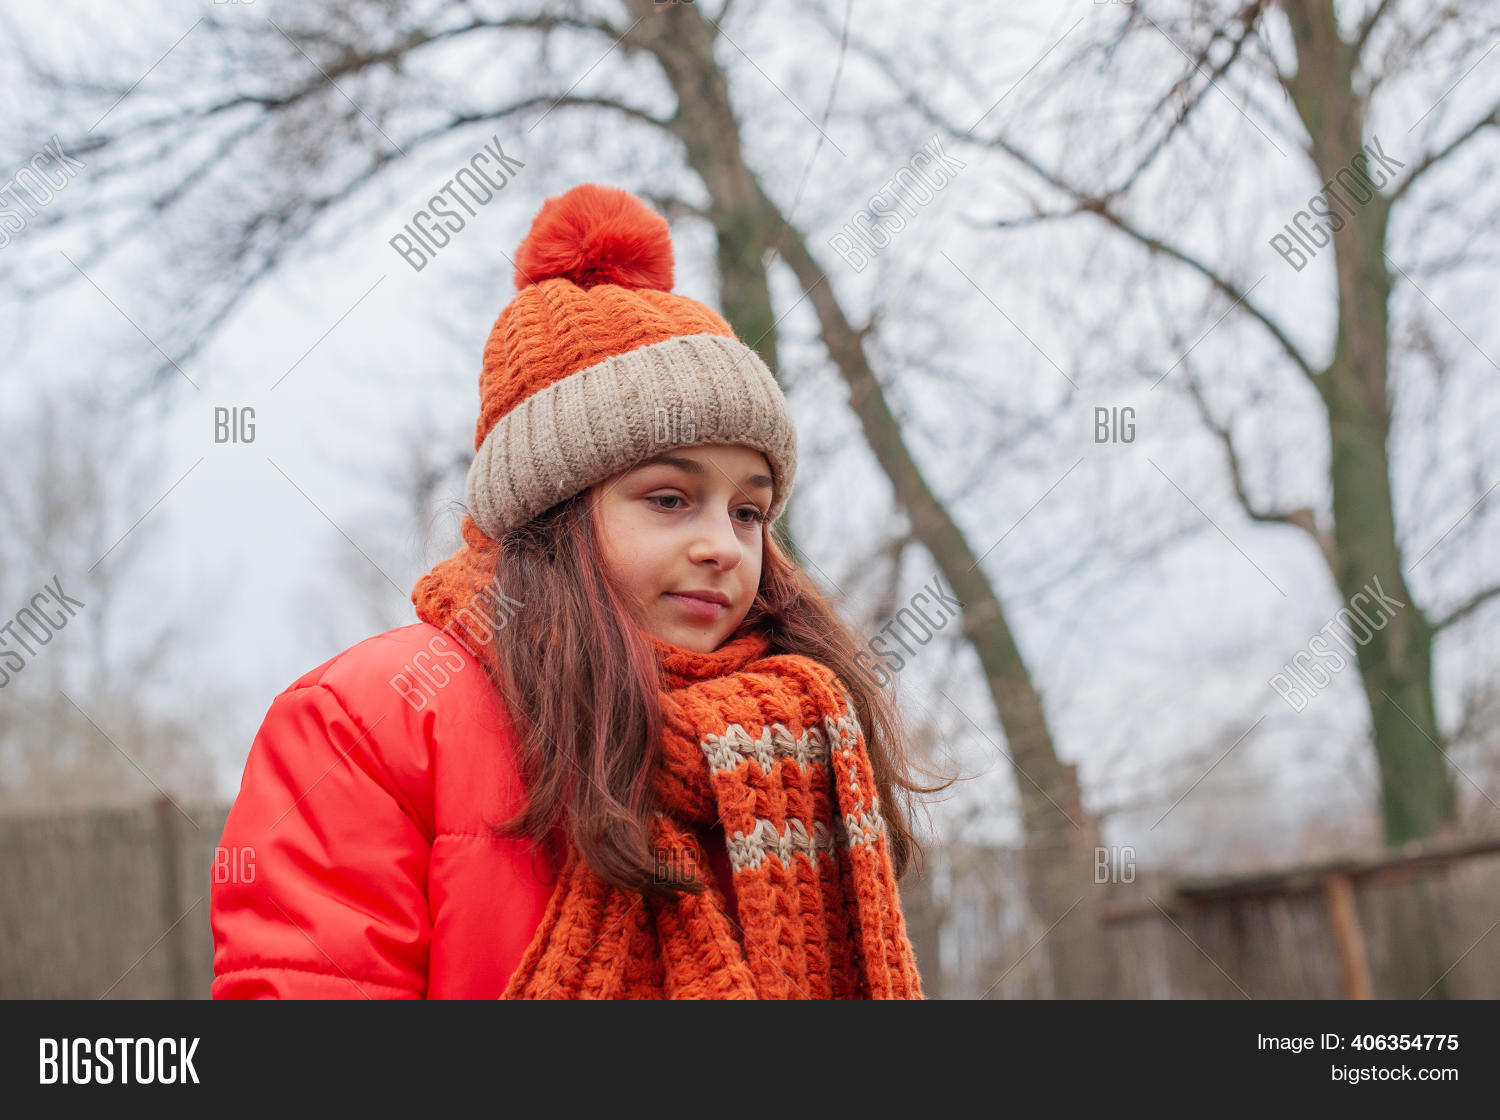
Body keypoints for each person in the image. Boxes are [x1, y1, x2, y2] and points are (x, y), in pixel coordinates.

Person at [210, 183, 945, 999]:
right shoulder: (369, 724)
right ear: (550, 513)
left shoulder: (797, 741)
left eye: (749, 512)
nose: (722, 546)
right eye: (669, 499)